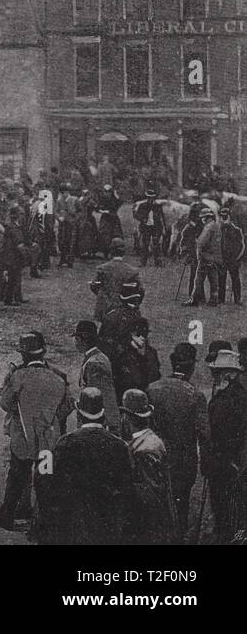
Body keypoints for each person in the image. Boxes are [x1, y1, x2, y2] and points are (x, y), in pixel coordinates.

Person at [0, 332, 72, 532]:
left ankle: (6, 518)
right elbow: (68, 406)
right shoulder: (58, 377)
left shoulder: (18, 376)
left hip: (23, 439)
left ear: (24, 356)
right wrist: (51, 418)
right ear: (43, 352)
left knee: (16, 478)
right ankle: (44, 523)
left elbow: (5, 403)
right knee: (45, 481)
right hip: (48, 439)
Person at [40, 387, 133, 545]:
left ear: (79, 415)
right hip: (108, 526)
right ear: (103, 416)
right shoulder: (120, 446)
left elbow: (45, 478)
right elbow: (127, 486)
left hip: (73, 524)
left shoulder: (64, 442)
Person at [147, 342, 211, 538]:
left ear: (172, 363)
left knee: (157, 506)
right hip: (184, 465)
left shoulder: (153, 388)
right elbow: (205, 434)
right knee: (180, 507)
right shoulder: (195, 395)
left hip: (155, 459)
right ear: (192, 367)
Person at [120, 388, 177, 545]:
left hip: (148, 527)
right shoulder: (151, 440)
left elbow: (148, 495)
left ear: (127, 417)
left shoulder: (144, 450)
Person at [206, 349, 247, 543]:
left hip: (225, 464)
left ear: (229, 374)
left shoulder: (224, 401)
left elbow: (217, 434)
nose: (214, 377)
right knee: (237, 513)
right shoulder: (241, 395)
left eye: (217, 373)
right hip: (235, 463)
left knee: (225, 513)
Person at [74, 320, 119, 431]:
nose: (75, 343)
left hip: (98, 424)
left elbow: (101, 396)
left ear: (82, 340)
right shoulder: (97, 357)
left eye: (76, 339)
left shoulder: (95, 363)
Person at [113, 316, 161, 396]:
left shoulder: (151, 353)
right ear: (131, 334)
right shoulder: (122, 354)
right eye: (138, 334)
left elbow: (155, 375)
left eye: (144, 334)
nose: (142, 338)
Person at [196, 207, 227, 306]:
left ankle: (198, 298)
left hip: (207, 257)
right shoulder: (217, 226)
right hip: (216, 257)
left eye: (203, 217)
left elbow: (202, 241)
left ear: (206, 217)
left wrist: (198, 248)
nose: (202, 219)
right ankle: (214, 300)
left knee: (199, 279)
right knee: (214, 280)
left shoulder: (208, 227)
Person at [134, 185, 167, 267]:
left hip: (156, 227)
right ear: (147, 197)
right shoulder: (143, 206)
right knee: (145, 245)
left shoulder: (158, 206)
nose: (150, 199)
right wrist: (142, 219)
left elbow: (162, 217)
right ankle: (143, 263)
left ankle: (158, 263)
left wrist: (163, 228)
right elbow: (136, 215)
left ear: (154, 198)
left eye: (152, 197)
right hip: (146, 227)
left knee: (156, 245)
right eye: (149, 197)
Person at [220, 206, 244, 305]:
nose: (224, 218)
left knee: (235, 279)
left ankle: (237, 299)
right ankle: (220, 299)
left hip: (233, 259)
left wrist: (238, 258)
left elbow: (242, 246)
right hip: (222, 258)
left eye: (225, 216)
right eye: (222, 216)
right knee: (221, 279)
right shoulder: (219, 229)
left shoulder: (237, 230)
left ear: (229, 216)